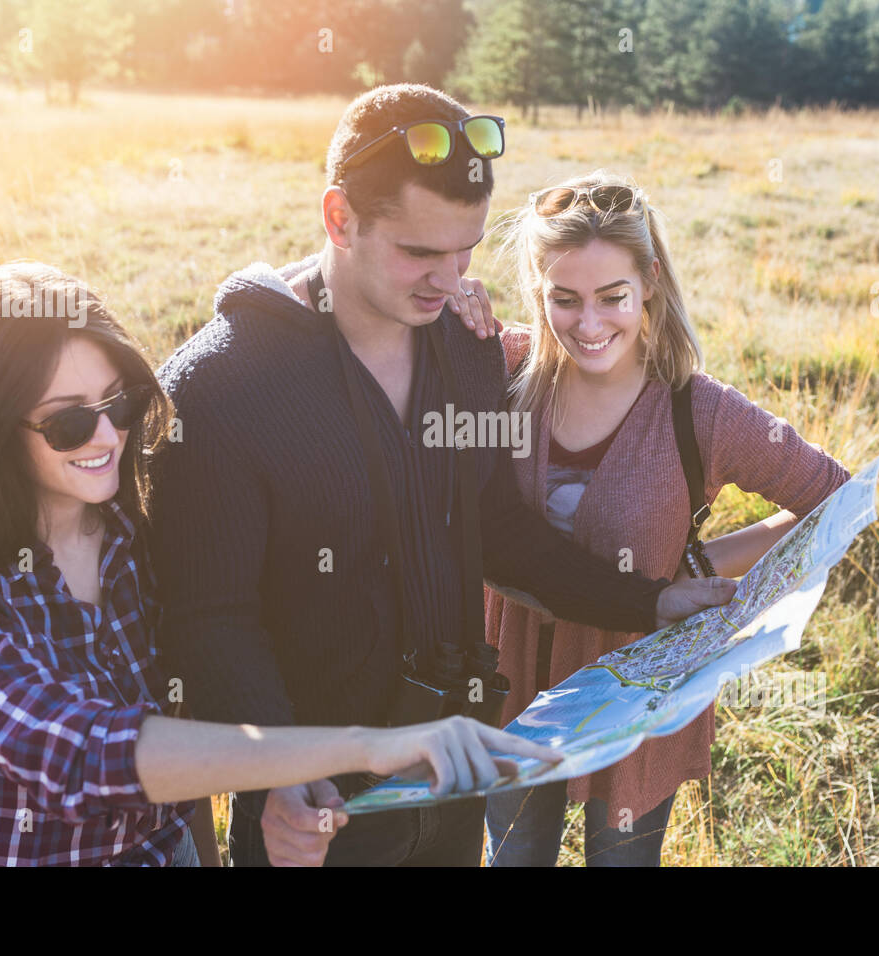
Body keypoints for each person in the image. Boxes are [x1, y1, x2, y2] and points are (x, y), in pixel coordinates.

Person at [147, 84, 739, 867]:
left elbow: (495, 525)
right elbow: (209, 621)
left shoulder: (464, 347)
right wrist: (279, 781)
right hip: (317, 815)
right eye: (420, 252)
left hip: (453, 779)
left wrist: (650, 599)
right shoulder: (218, 389)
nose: (447, 278)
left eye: (464, 250)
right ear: (338, 218)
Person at [0, 261, 561, 867]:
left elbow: (184, 712)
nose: (107, 436)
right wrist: (361, 749)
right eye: (69, 421)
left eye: (123, 401)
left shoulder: (135, 534)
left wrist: (429, 281)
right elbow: (74, 750)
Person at [481, 171, 852, 866]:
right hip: (514, 687)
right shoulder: (501, 372)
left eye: (612, 297)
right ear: (538, 289)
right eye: (564, 299)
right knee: (513, 856)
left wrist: (702, 566)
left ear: (649, 281)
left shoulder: (699, 410)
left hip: (637, 686)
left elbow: (836, 497)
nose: (588, 326)